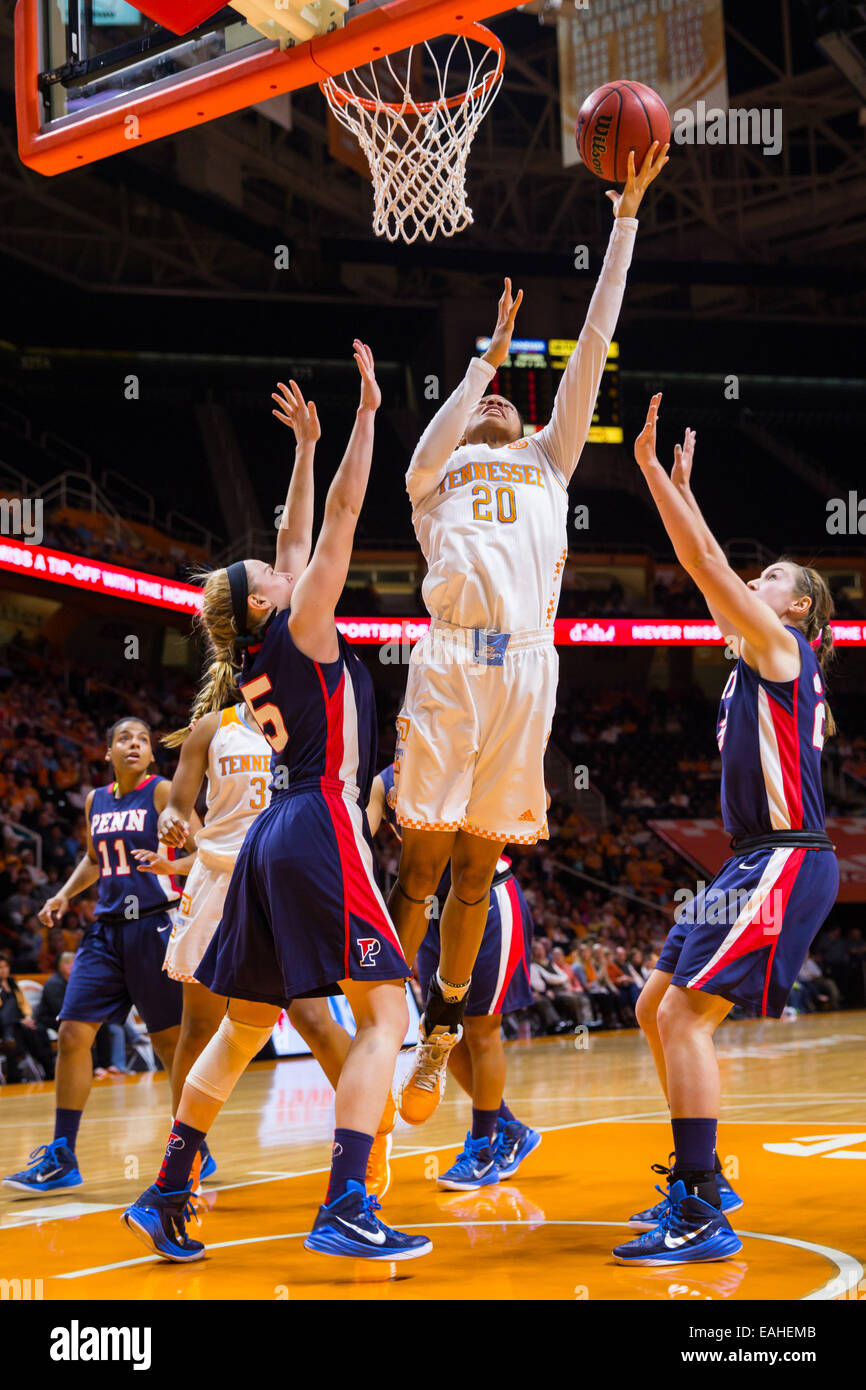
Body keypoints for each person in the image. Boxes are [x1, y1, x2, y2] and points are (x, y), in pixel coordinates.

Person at [121, 345, 431, 1265]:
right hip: (318, 820)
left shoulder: (263, 642)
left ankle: (167, 1188)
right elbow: (335, 518)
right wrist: (370, 414)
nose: (280, 557)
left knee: (249, 1024)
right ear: (265, 598)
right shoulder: (301, 623)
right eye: (268, 565)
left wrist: (303, 445)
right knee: (385, 1017)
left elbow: (297, 536)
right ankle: (344, 1205)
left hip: (270, 836)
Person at [390, 144, 669, 1125]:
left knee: (473, 869)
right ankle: (390, 1010)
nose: (500, 406)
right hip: (449, 660)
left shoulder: (548, 460)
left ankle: (437, 1031)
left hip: (523, 673)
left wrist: (623, 220)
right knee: (419, 868)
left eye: (507, 398)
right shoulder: (434, 474)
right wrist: (485, 360)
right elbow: (438, 430)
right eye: (484, 404)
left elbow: (594, 338)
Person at [615, 396, 839, 1267]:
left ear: (802, 611)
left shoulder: (787, 652)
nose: (759, 580)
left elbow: (706, 563)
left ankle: (705, 1209)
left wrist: (658, 480)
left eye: (776, 575)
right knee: (651, 1007)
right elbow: (706, 567)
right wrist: (671, 489)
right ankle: (693, 1183)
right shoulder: (749, 661)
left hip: (786, 860)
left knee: (684, 1019)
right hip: (749, 865)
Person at [3, 718, 188, 1196]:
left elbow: (204, 844)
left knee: (170, 1045)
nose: (134, 744)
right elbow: (92, 858)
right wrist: (64, 895)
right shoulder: (96, 800)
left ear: (150, 755)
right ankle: (62, 1153)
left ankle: (192, 1148)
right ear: (107, 752)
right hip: (105, 930)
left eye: (143, 740)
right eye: (124, 738)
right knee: (71, 1032)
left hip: (156, 925)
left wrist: (174, 864)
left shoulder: (163, 792)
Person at [367, 762, 540, 1190]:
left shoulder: (465, 759)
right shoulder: (382, 783)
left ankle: (483, 1151)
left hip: (488, 898)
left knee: (482, 1030)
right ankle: (510, 1130)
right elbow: (356, 834)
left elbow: (539, 800)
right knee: (441, 1030)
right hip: (428, 907)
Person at [0, 953, 54, 1082]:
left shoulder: (14, 985)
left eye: (5, 966)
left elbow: (25, 1006)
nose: (3, 970)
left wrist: (27, 1017)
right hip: (3, 1024)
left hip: (19, 1024)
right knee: (22, 1030)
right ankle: (48, 1069)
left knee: (37, 1029)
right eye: (0, 967)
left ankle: (48, 1068)